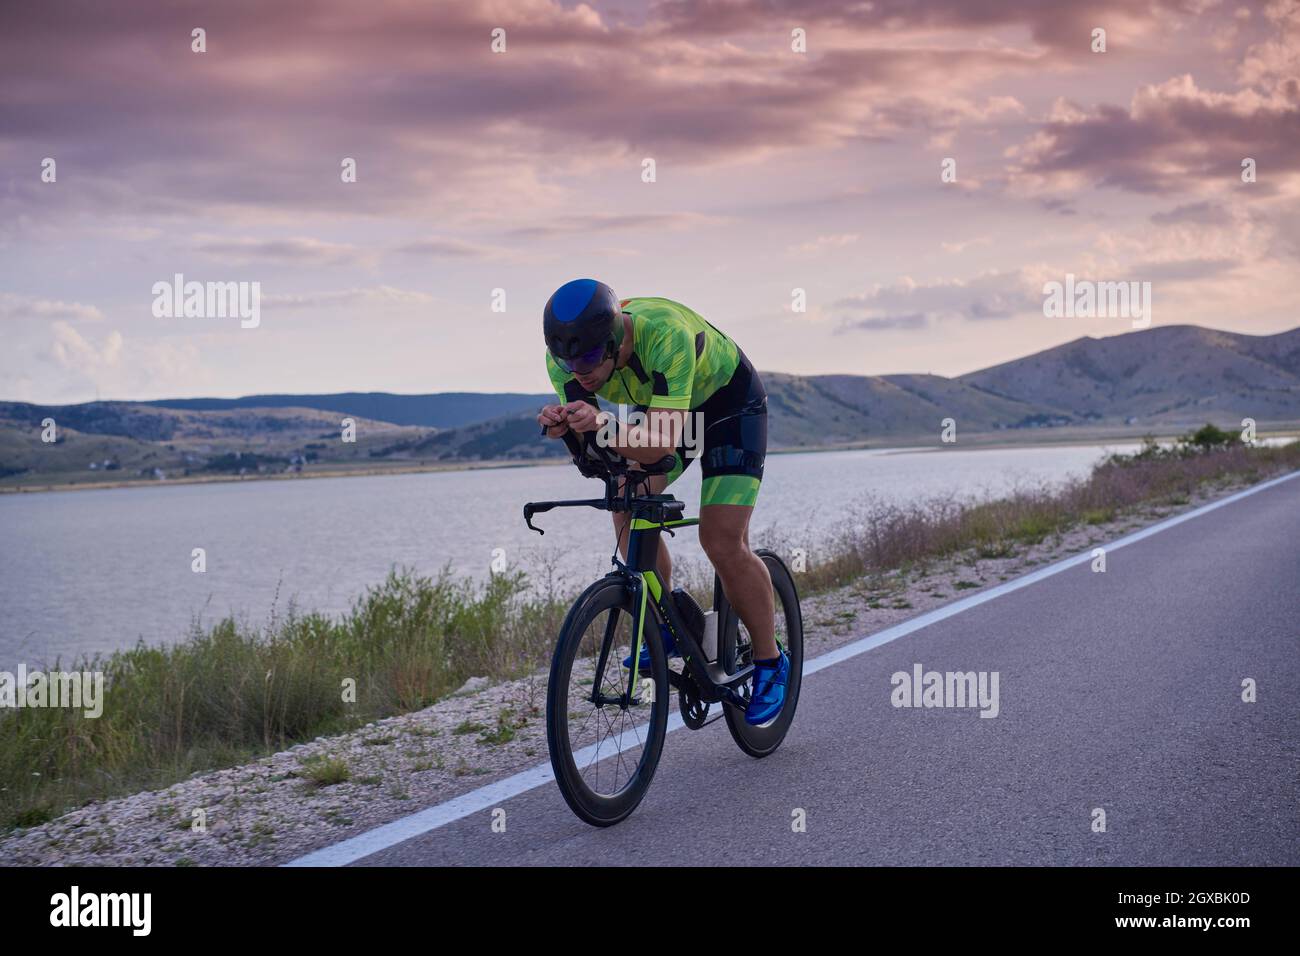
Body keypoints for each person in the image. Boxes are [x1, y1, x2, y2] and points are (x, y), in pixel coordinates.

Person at [537, 278, 787, 726]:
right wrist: (569, 431)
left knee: (721, 540)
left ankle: (771, 662)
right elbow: (597, 456)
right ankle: (667, 622)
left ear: (613, 341)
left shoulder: (665, 334)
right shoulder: (567, 360)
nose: (578, 372)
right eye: (566, 361)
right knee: (624, 496)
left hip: (730, 408)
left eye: (588, 359)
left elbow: (658, 447)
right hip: (665, 409)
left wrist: (601, 424)